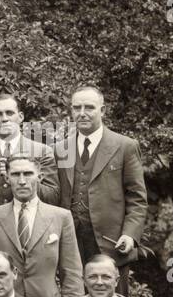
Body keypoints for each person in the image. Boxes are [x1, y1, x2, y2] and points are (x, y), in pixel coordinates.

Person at [57, 84, 146, 285]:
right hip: (70, 244)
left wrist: (130, 235)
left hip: (111, 244)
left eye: (89, 107)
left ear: (102, 110)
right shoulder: (60, 149)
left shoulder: (125, 146)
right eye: (76, 108)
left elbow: (137, 199)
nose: (82, 113)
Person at [0, 155, 83, 297]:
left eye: (28, 174)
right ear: (7, 178)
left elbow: (71, 271)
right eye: (15, 174)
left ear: (40, 177)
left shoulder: (61, 217)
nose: (22, 181)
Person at [0, 93, 59, 210]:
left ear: (20, 117)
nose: (5, 119)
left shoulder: (42, 152)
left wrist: (18, 175)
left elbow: (53, 197)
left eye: (9, 113)